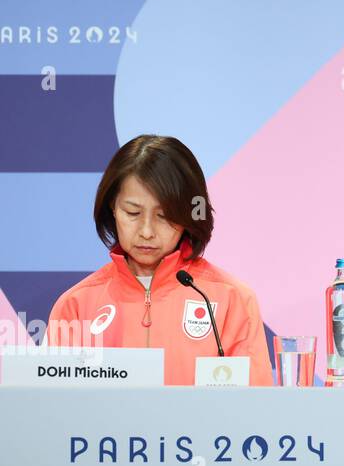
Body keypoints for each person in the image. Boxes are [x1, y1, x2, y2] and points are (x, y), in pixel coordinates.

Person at [46, 135, 274, 386]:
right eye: (132, 212)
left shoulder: (232, 299)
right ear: (112, 206)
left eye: (164, 216)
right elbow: (52, 412)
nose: (146, 231)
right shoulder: (76, 306)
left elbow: (254, 413)